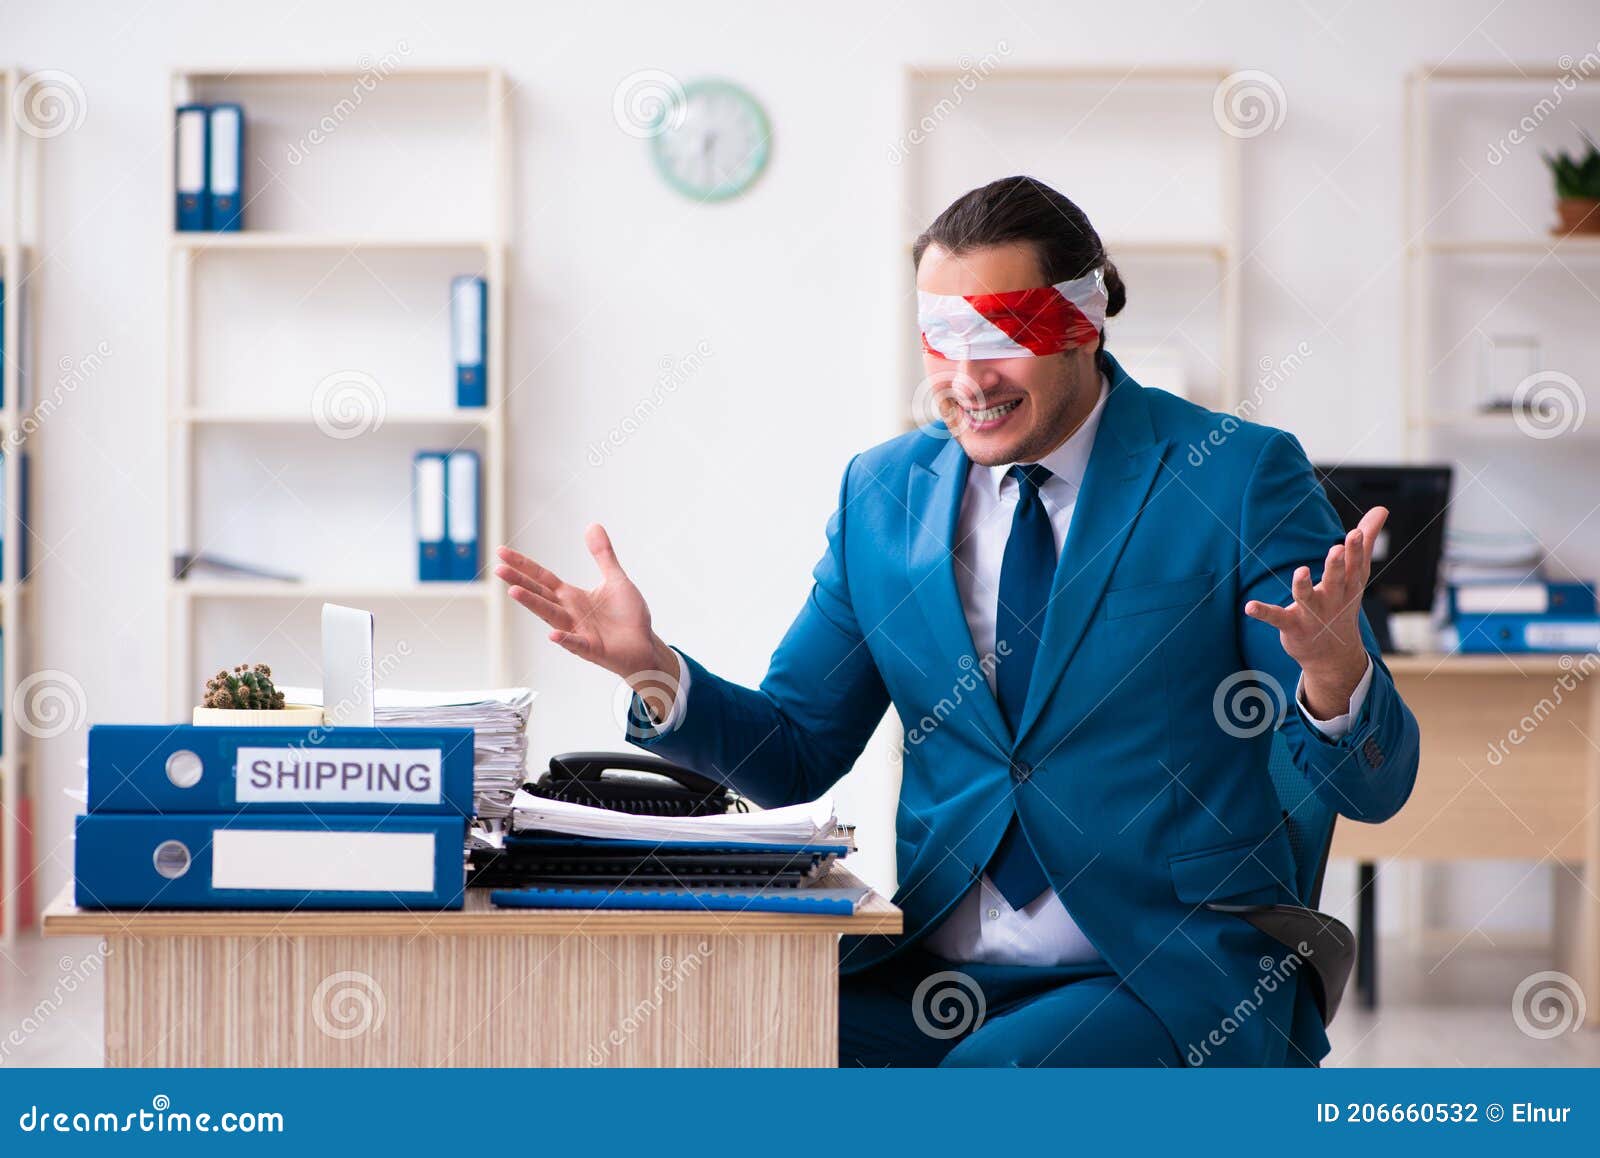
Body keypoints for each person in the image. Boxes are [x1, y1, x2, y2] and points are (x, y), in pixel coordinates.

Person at [496, 175, 1419, 1067]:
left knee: (995, 1087)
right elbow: (795, 752)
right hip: (936, 974)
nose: (967, 376)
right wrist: (654, 668)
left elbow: (1375, 790)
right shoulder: (884, 496)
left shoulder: (1232, 474)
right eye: (942, 337)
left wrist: (1335, 675)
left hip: (1163, 977)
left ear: (1082, 322)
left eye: (1002, 332)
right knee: (719, 1039)